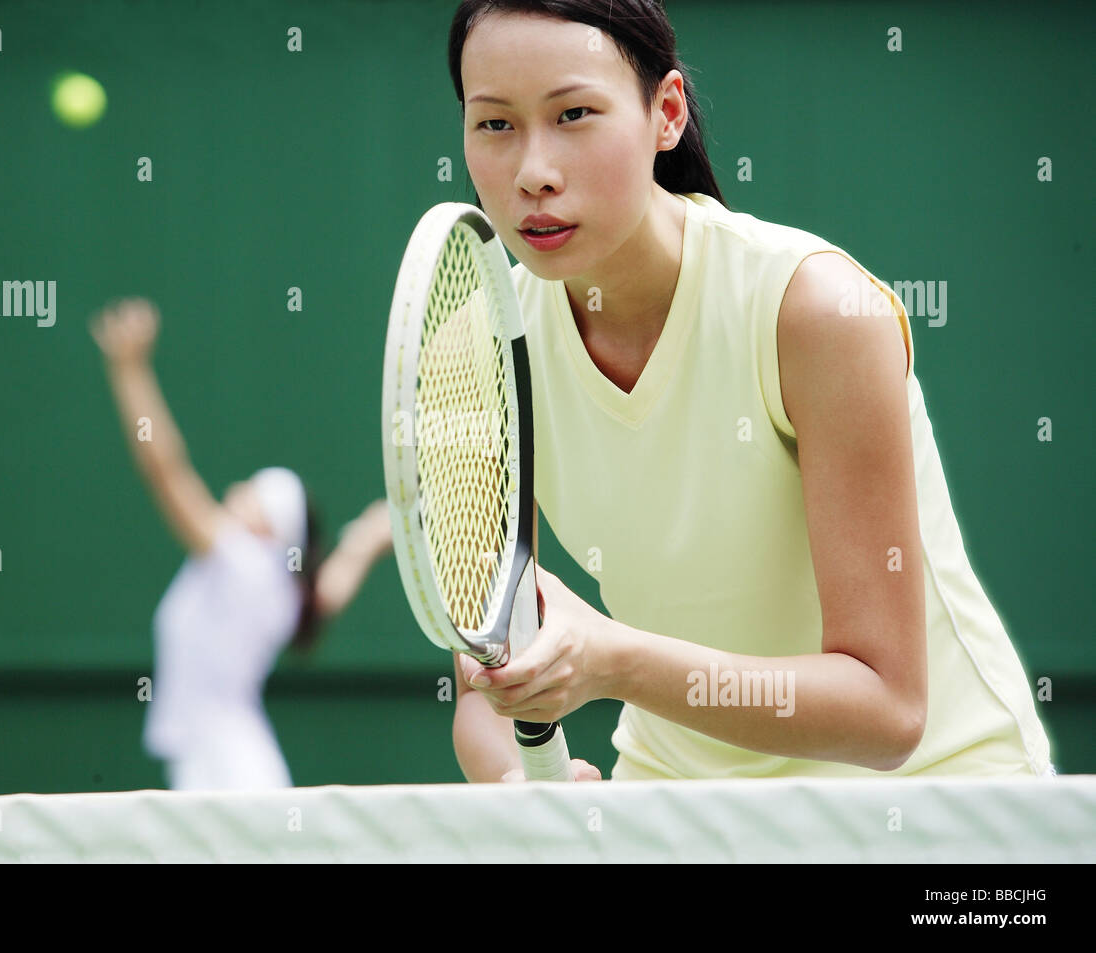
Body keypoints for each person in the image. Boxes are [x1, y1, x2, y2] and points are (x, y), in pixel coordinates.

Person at [444, 0, 1055, 782]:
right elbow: (484, 674)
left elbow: (888, 709)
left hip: (941, 804)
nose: (534, 171)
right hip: (678, 803)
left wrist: (614, 661)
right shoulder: (477, 344)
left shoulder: (818, 312)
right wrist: (523, 788)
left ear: (665, 113)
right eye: (495, 125)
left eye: (574, 114)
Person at [91, 298, 393, 790]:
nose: (233, 494)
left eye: (251, 498)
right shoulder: (277, 585)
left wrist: (130, 369)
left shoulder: (244, 564)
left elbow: (165, 472)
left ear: (269, 533)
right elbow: (328, 591)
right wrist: (371, 538)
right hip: (232, 765)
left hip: (228, 771)